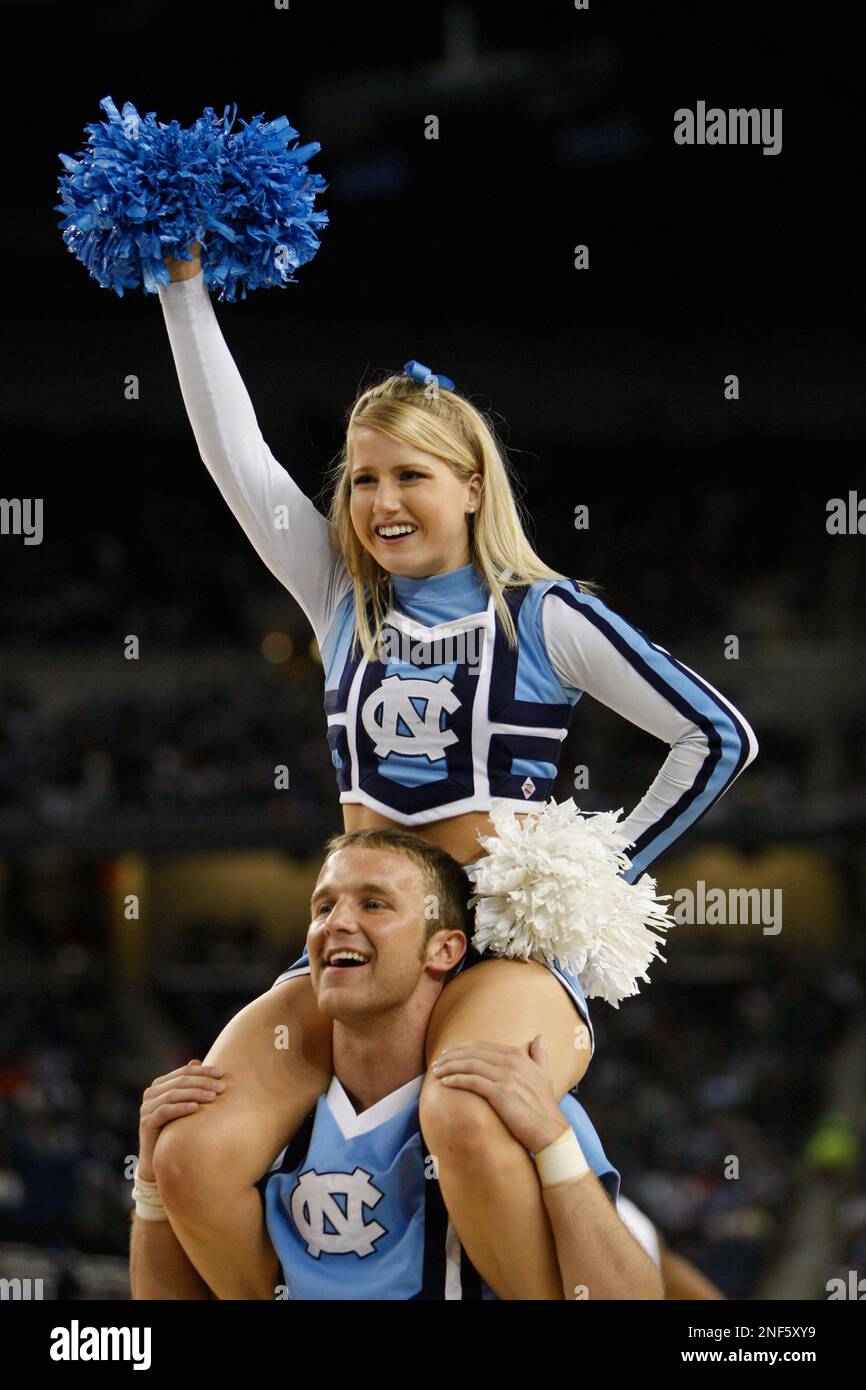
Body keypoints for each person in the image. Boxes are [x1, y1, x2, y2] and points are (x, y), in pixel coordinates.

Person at [152, 241, 759, 1300]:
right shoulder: (339, 599)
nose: (382, 501)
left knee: (466, 1113)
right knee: (194, 1146)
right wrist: (181, 286)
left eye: (411, 477)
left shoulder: (543, 613)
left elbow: (715, 736)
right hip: (361, 947)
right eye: (364, 480)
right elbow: (232, 455)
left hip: (496, 957)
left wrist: (597, 871)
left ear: (472, 488)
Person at [132, 830, 662, 1299]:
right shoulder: (263, 1128)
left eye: (374, 905)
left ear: (444, 949)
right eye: (322, 908)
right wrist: (152, 1185)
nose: (336, 923)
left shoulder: (510, 1101)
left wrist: (554, 1142)